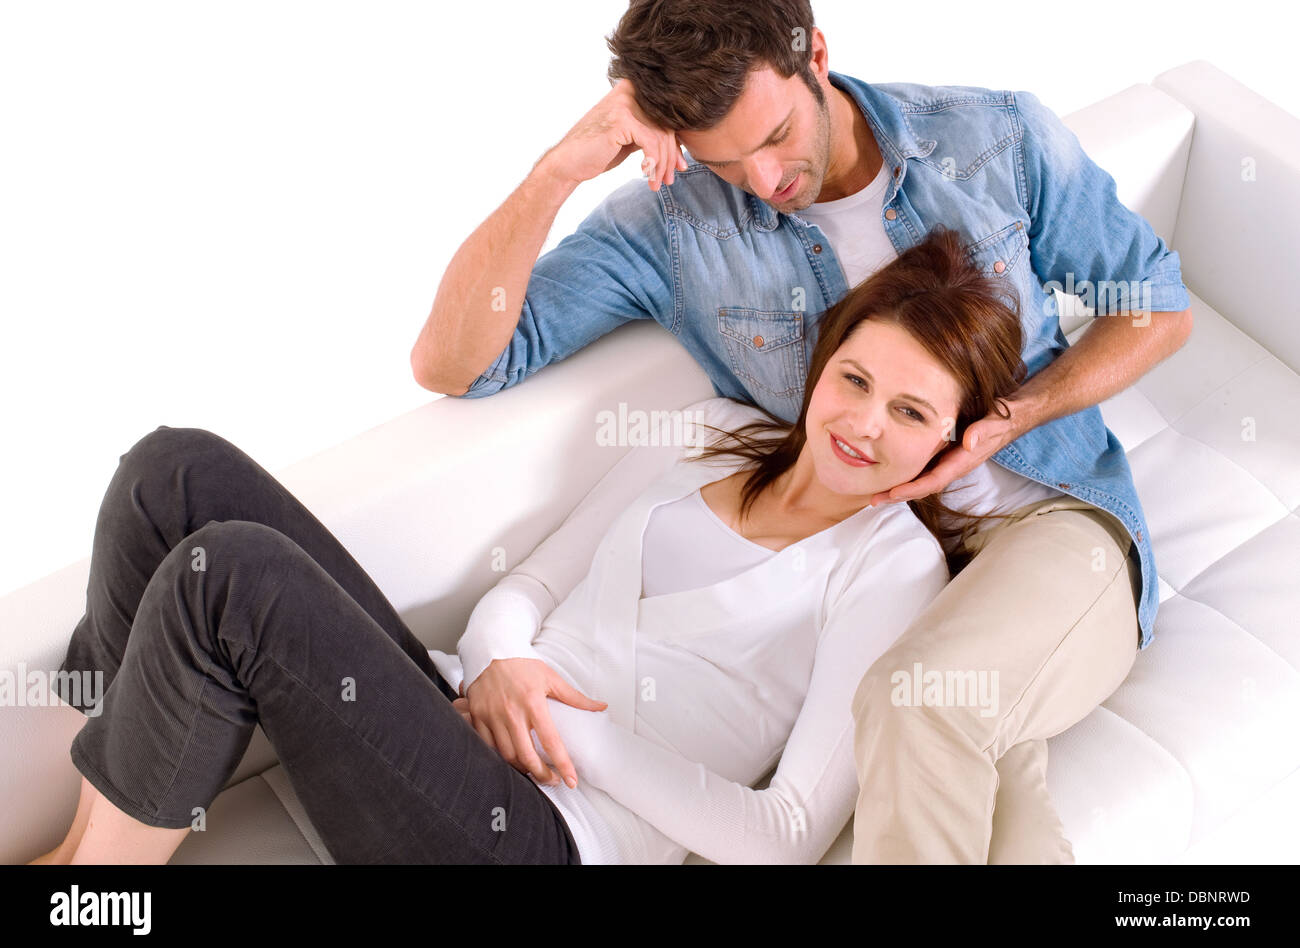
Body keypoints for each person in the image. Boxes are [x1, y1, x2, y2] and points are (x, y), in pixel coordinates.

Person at [409, 0, 1192, 863]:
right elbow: (457, 363)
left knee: (920, 702)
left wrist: (1009, 419)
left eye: (777, 134)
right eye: (727, 161)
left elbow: (1156, 302)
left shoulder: (990, 137)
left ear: (815, 52)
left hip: (1044, 524)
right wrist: (556, 172)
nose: (765, 178)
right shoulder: (676, 226)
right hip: (881, 563)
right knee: (1011, 826)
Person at [33, 225, 1020, 865]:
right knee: (174, 472)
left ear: (951, 435)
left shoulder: (892, 568)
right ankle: (84, 842)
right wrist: (504, 667)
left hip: (545, 835)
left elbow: (785, 835)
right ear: (822, 362)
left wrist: (559, 727)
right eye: (853, 379)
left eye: (909, 411)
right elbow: (538, 578)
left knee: (233, 580)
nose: (863, 423)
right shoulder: (704, 429)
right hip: (460, 708)